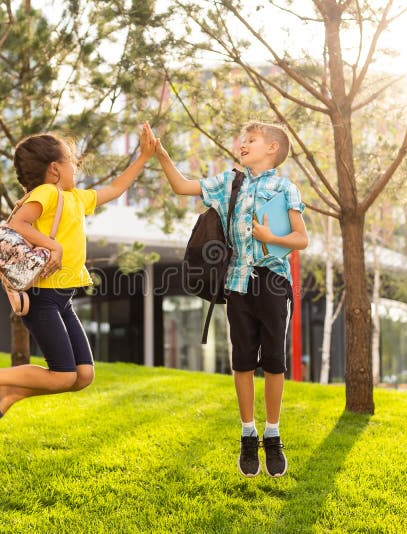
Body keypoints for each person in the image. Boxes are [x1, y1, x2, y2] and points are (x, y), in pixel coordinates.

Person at [0, 124, 156, 434]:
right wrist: (54, 246)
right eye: (71, 161)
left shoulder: (73, 197)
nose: (75, 167)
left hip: (62, 299)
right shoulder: (46, 193)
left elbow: (116, 189)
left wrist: (143, 156)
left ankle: (11, 392)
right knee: (63, 375)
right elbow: (18, 223)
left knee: (83, 375)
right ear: (55, 168)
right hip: (42, 298)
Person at [152, 121, 309, 477]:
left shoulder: (286, 188)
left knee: (274, 361)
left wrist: (270, 237)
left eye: (251, 140)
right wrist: (161, 155)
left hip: (274, 282)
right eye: (242, 140)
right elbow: (182, 186)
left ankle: (272, 434)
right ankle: (248, 433)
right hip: (237, 283)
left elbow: (302, 239)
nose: (243, 144)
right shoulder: (228, 182)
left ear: (272, 148)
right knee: (242, 361)